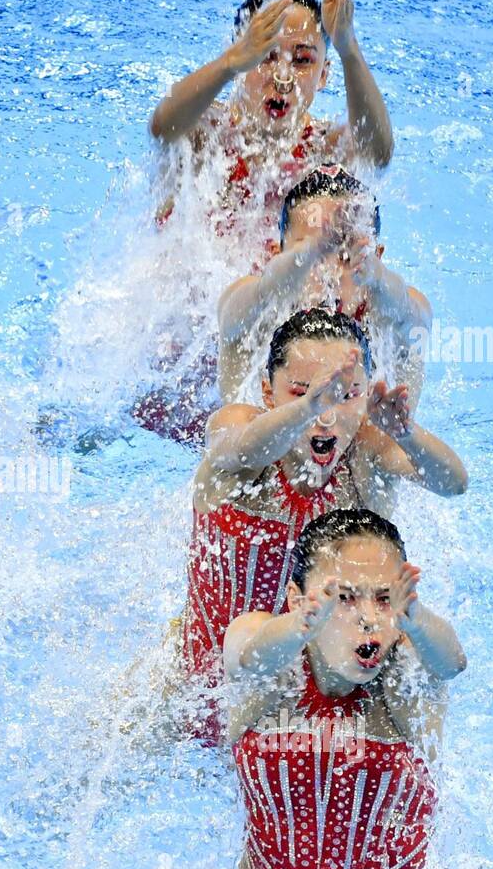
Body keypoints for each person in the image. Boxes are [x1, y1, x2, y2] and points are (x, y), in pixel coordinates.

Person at [179, 308, 466, 744]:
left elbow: (454, 484)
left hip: (300, 702)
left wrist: (407, 433)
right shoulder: (237, 430)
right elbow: (234, 449)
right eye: (303, 392)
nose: (327, 416)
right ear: (267, 393)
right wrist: (307, 407)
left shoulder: (366, 453)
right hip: (199, 680)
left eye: (346, 395)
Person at [137, 0, 394, 444]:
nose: (281, 76)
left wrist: (350, 49)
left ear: (324, 73)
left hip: (273, 372)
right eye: (265, 56)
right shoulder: (204, 134)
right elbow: (162, 128)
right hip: (176, 368)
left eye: (302, 60)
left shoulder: (326, 149)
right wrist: (231, 63)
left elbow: (376, 152)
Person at [221, 508, 466, 869]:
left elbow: (453, 664)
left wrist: (417, 622)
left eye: (385, 598)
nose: (368, 618)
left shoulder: (405, 675)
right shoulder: (273, 667)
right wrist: (301, 625)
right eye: (344, 598)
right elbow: (247, 658)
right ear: (298, 600)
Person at [218, 167, 432, 407]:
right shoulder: (255, 312)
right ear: (276, 257)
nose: (330, 274)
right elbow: (262, 292)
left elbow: (408, 314)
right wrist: (308, 251)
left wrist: (377, 277)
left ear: (376, 259)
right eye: (313, 258)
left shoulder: (389, 316)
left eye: (347, 255)